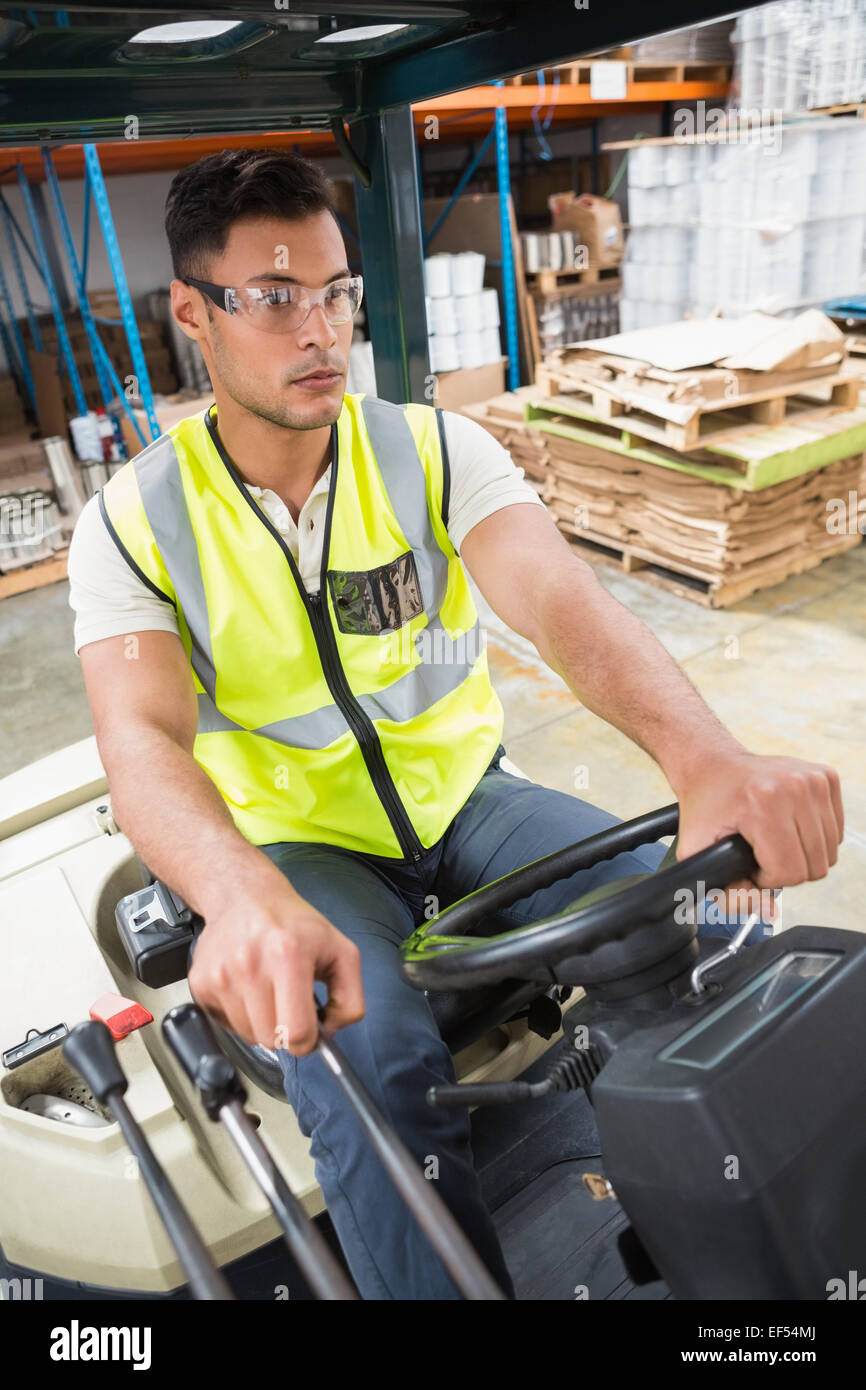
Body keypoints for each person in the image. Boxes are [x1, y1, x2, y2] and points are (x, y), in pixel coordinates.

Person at [68, 149, 844, 1301]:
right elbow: (139, 739)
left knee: (697, 911)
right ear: (193, 313)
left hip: (467, 801)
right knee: (361, 1047)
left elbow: (559, 603)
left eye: (335, 294)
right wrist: (238, 899)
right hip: (301, 852)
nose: (319, 330)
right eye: (275, 300)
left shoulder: (430, 449)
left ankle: (762, 1254)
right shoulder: (134, 523)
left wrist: (706, 760)